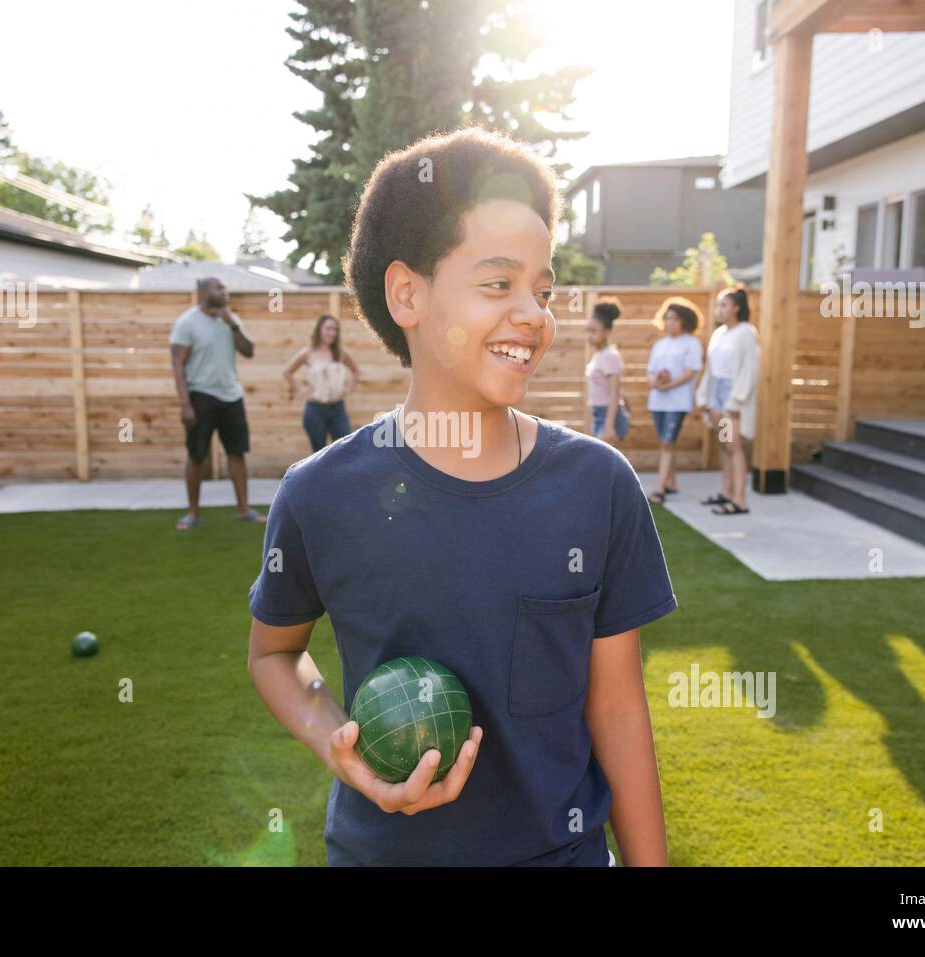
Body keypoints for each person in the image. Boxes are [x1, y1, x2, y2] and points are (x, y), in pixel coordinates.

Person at [246, 126, 677, 867]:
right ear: (407, 293)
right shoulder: (318, 495)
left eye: (543, 290)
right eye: (498, 283)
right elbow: (274, 656)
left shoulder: (598, 486)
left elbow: (617, 706)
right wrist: (337, 744)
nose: (535, 314)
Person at [169, 276, 264, 529]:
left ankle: (243, 509)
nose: (225, 291)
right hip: (200, 396)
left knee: (237, 452)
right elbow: (177, 364)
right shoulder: (186, 323)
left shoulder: (231, 319)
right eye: (219, 288)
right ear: (203, 292)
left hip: (232, 396)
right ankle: (192, 513)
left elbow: (249, 351)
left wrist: (231, 323)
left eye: (225, 287)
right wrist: (185, 404)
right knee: (197, 455)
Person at [694, 286, 759, 515]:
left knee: (734, 446)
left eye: (724, 304)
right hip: (716, 394)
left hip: (732, 395)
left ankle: (740, 500)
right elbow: (711, 370)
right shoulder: (719, 333)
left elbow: (750, 369)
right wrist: (704, 397)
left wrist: (736, 401)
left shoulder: (746, 332)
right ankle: (727, 492)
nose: (719, 309)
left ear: (737, 307)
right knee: (723, 444)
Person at [645, 297, 704, 504]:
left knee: (667, 442)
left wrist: (668, 385)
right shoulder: (660, 344)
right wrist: (655, 382)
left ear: (685, 321)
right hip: (658, 401)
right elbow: (651, 372)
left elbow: (691, 371)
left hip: (677, 401)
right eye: (667, 318)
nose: (670, 323)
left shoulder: (692, 343)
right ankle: (671, 482)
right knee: (666, 442)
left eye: (675, 319)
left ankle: (660, 488)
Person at [283, 314, 362, 453]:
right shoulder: (307, 353)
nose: (332, 333)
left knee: (345, 449)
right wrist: (301, 389)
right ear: (319, 329)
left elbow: (356, 371)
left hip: (338, 409)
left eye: (335, 329)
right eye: (328, 328)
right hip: (315, 410)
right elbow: (287, 372)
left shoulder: (340, 353)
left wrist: (347, 388)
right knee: (319, 453)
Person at [585, 298, 631, 445]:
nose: (589, 335)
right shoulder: (598, 355)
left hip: (608, 416)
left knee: (603, 464)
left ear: (607, 331)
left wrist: (609, 425)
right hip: (598, 414)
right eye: (588, 331)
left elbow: (615, 393)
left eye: (594, 331)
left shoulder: (610, 356)